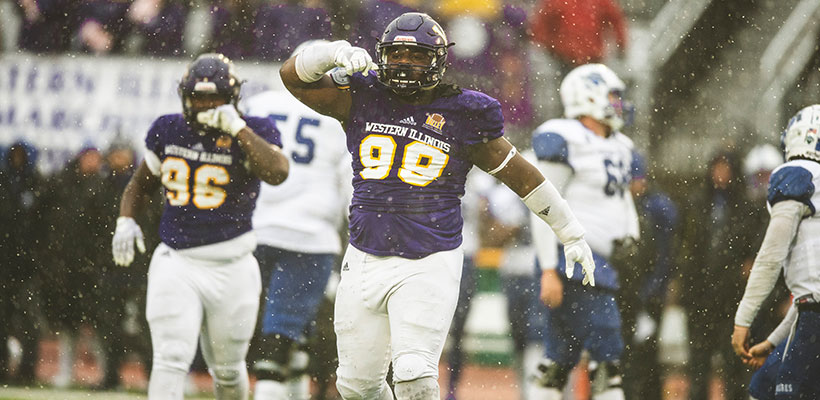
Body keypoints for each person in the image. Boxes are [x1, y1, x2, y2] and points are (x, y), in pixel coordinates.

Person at [279, 11, 596, 400]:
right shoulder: (363, 96)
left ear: (439, 60)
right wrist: (331, 53)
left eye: (416, 57)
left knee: (414, 375)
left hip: (429, 257)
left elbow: (522, 176)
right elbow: (291, 77)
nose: (404, 65)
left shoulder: (464, 113)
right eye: (396, 55)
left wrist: (570, 231)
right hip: (364, 256)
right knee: (355, 386)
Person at [110, 53, 289, 400]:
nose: (205, 104)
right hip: (178, 261)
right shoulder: (168, 129)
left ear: (233, 97)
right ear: (184, 94)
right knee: (170, 357)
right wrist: (125, 218)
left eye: (214, 97)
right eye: (198, 96)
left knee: (228, 369)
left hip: (234, 264)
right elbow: (139, 185)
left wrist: (238, 129)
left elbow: (278, 172)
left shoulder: (255, 130)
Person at [241, 42, 352, 399]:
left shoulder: (258, 105)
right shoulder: (339, 118)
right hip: (309, 236)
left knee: (266, 333)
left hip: (252, 231)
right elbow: (353, 191)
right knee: (281, 336)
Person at [528, 63, 638, 400]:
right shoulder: (563, 136)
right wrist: (548, 268)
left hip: (601, 261)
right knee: (608, 353)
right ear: (588, 96)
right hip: (573, 259)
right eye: (612, 96)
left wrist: (631, 231)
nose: (618, 103)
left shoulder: (619, 144)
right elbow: (541, 206)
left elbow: (621, 197)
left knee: (560, 358)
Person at [732, 104, 820, 399]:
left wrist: (743, 319)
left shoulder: (799, 175)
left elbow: (770, 257)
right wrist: (772, 342)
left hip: (814, 318)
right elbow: (811, 291)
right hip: (809, 313)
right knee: (764, 385)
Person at [617, 151, 678, 400]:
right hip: (624, 295)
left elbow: (664, 256)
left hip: (647, 296)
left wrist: (651, 293)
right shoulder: (619, 207)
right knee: (621, 358)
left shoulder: (657, 208)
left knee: (646, 358)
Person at [0, 141, 46, 386]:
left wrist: (38, 260)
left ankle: (27, 370)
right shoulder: (5, 184)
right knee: (3, 318)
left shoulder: (37, 185)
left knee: (29, 321)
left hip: (28, 267)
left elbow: (44, 227)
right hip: (4, 265)